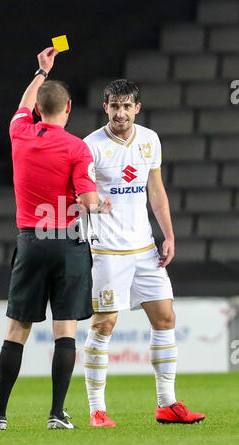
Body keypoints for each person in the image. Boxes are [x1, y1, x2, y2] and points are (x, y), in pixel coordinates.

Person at [0, 47, 104, 431]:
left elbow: (22, 105)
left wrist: (40, 72)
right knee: (65, 328)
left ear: (37, 110)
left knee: (17, 329)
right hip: (68, 241)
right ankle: (57, 415)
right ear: (67, 109)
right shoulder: (77, 147)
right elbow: (89, 201)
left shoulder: (19, 132)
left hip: (31, 241)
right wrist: (99, 202)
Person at [83, 79, 206, 426]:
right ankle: (97, 410)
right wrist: (92, 206)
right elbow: (80, 193)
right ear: (104, 107)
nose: (120, 112)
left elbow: (157, 191)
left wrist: (168, 235)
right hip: (108, 251)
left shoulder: (150, 140)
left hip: (145, 249)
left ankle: (166, 404)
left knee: (165, 318)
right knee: (104, 324)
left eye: (127, 106)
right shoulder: (90, 146)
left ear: (137, 108)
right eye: (114, 106)